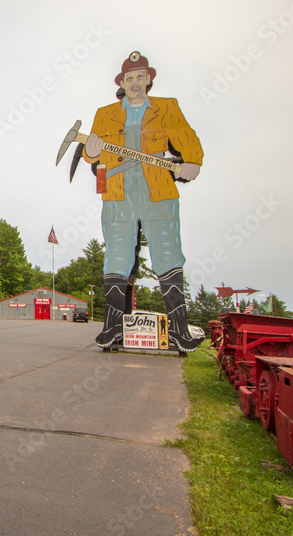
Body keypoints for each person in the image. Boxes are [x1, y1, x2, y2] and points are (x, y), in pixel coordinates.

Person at [82, 51, 203, 351]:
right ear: (122, 82)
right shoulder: (105, 113)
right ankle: (112, 328)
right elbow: (90, 154)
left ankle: (179, 330)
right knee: (118, 256)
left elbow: (188, 140)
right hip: (118, 192)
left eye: (140, 77)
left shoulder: (167, 108)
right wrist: (93, 152)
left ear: (148, 79)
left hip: (158, 191)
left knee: (168, 253)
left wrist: (193, 163)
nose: (135, 83)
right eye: (129, 78)